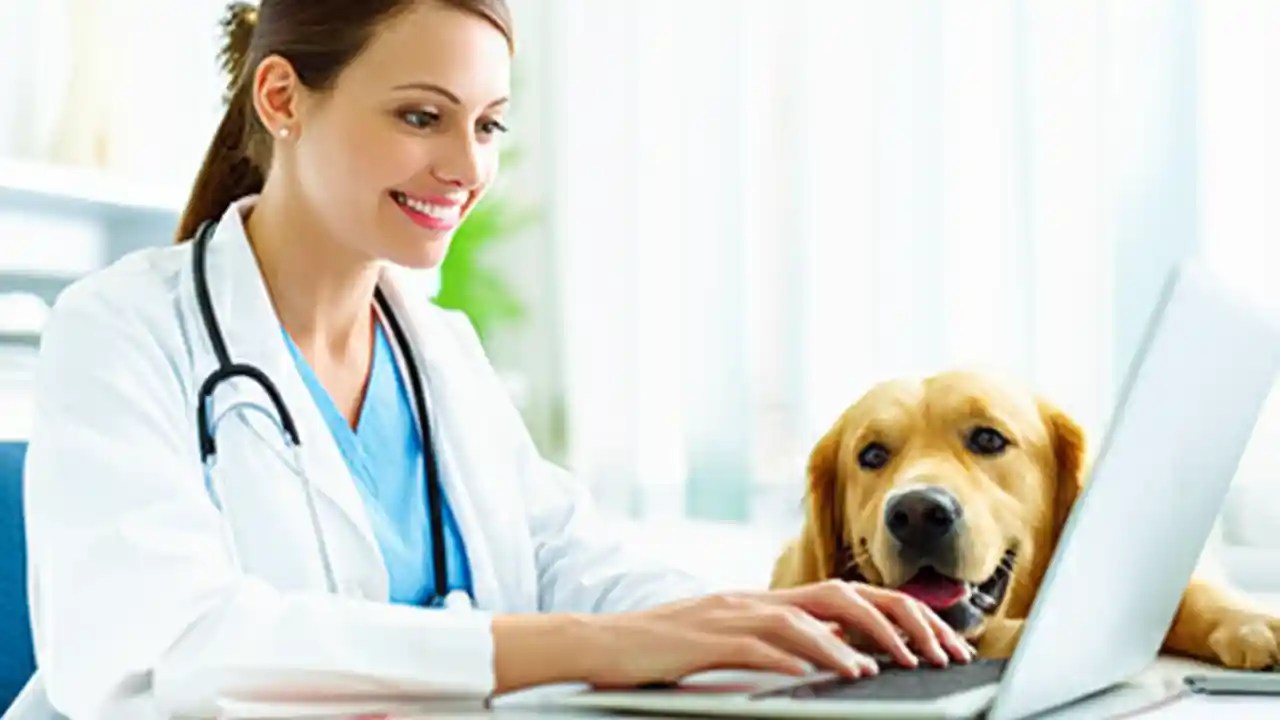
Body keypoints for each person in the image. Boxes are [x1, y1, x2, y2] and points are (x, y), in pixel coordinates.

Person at [17, 1, 972, 718]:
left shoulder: (440, 353)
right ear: (282, 98)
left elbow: (576, 562)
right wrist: (594, 646)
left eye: (487, 125)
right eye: (422, 117)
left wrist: (775, 628)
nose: (469, 169)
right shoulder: (120, 330)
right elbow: (173, 645)